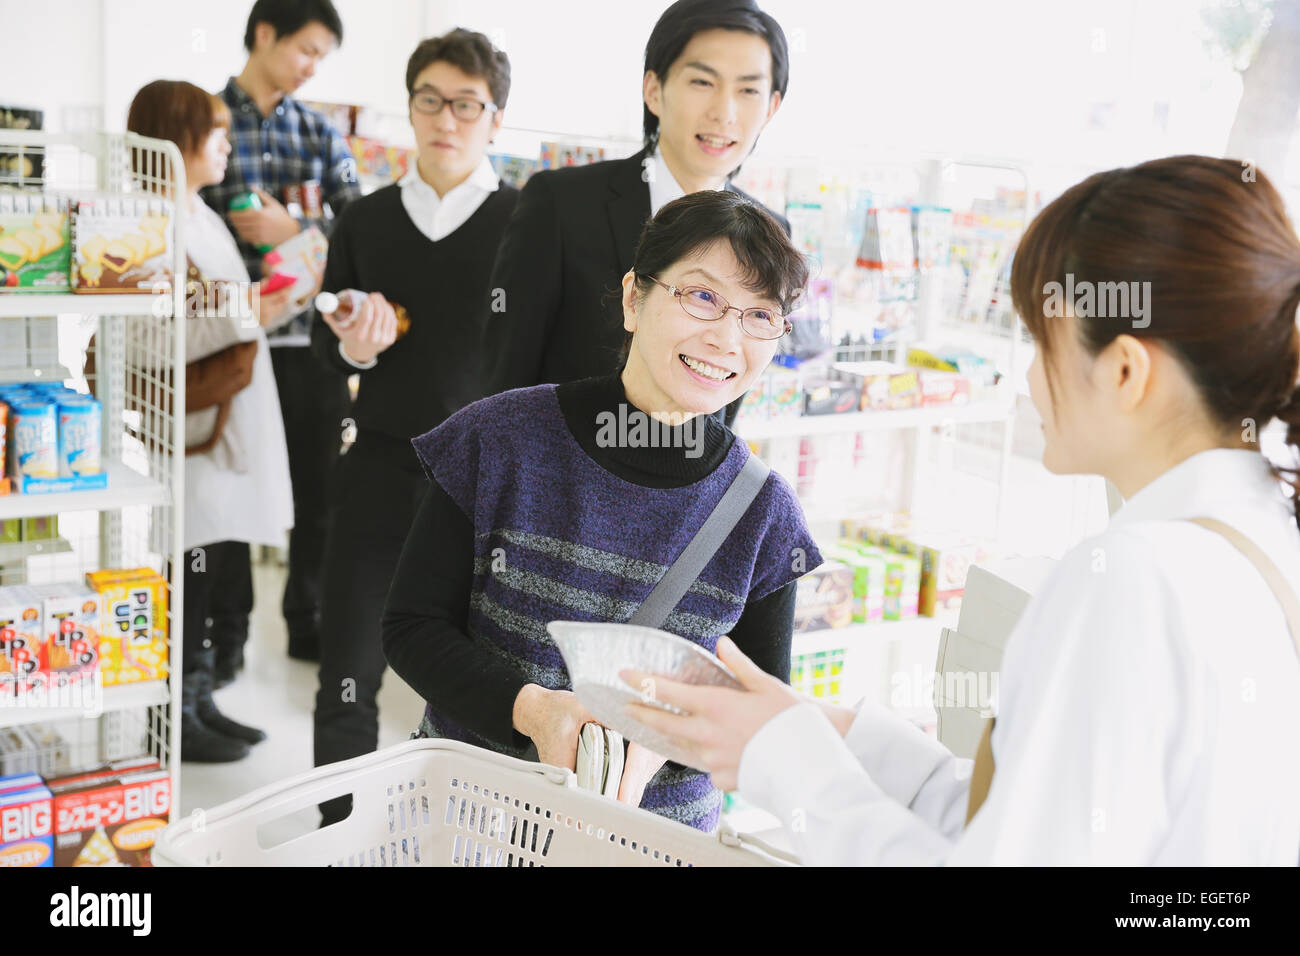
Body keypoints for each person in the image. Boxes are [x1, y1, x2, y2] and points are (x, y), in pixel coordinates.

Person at [623, 155, 1300, 865]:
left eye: (1044, 344)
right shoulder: (1256, 541)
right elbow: (1028, 822)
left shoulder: (1134, 577)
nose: (1030, 377)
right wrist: (828, 732)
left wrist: (789, 764)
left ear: (1126, 371)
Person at [381, 190, 819, 833]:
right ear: (633, 299)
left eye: (760, 315)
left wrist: (656, 744)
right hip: (467, 823)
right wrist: (531, 710)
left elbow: (752, 715)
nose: (728, 338)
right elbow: (412, 626)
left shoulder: (763, 516)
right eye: (702, 297)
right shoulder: (498, 440)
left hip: (650, 841)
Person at [308, 28, 520, 822]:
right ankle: (341, 835)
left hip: (488, 491)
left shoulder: (525, 223)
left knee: (479, 691)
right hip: (380, 469)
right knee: (347, 676)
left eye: (467, 104)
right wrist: (353, 350)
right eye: (431, 100)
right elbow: (329, 351)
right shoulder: (363, 219)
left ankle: (460, 839)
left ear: (494, 119)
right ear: (410, 107)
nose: (447, 118)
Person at [478, 0, 790, 427]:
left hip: (688, 489)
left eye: (748, 90)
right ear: (653, 90)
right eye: (703, 81)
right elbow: (504, 381)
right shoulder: (560, 205)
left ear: (772, 107)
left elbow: (724, 403)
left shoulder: (773, 234)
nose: (725, 113)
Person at [127, 80, 295, 762]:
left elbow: (217, 301)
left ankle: (197, 699)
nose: (226, 144)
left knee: (212, 558)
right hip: (186, 425)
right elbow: (160, 325)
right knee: (187, 564)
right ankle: (170, 717)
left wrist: (260, 303)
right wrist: (257, 308)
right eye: (214, 133)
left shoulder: (194, 208)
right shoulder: (143, 218)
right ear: (176, 138)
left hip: (223, 412)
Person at [200, 0, 361, 673]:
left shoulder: (318, 133)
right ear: (265, 34)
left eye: (322, 56)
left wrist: (296, 232)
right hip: (225, 344)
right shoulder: (205, 122)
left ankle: (308, 622)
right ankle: (226, 638)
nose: (311, 66)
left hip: (309, 347)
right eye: (306, 49)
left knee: (319, 491)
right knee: (229, 490)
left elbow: (359, 226)